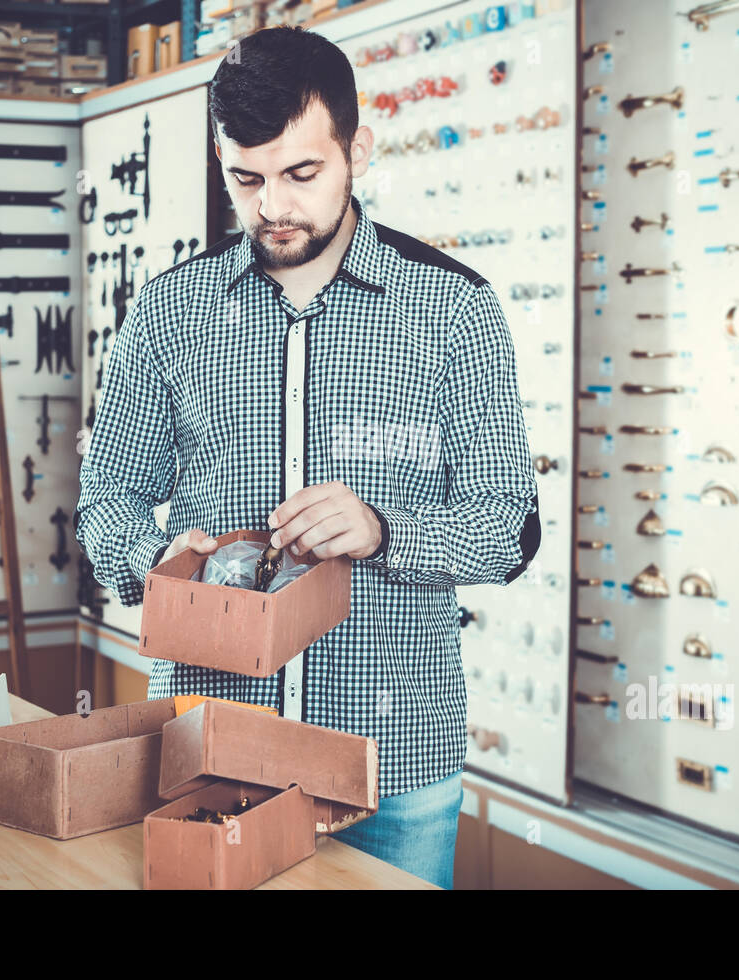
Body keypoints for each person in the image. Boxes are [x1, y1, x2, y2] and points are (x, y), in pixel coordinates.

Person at [75, 25, 540, 890]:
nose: (272, 208)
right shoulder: (169, 313)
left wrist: (383, 530)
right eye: (245, 179)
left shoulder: (455, 311)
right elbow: (107, 500)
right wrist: (171, 569)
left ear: (357, 149)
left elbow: (509, 530)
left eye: (301, 174)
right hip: (209, 746)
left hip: (390, 758)